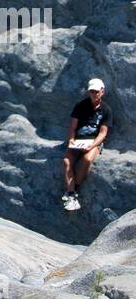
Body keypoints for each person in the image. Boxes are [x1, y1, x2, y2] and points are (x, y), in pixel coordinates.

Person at [62, 79, 112, 211]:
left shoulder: (106, 110)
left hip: (94, 141)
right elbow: (72, 127)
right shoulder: (80, 106)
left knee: (87, 159)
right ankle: (71, 195)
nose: (94, 94)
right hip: (78, 140)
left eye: (97, 91)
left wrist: (92, 146)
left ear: (102, 91)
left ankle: (74, 189)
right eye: (92, 91)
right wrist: (72, 140)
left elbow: (102, 133)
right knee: (67, 162)